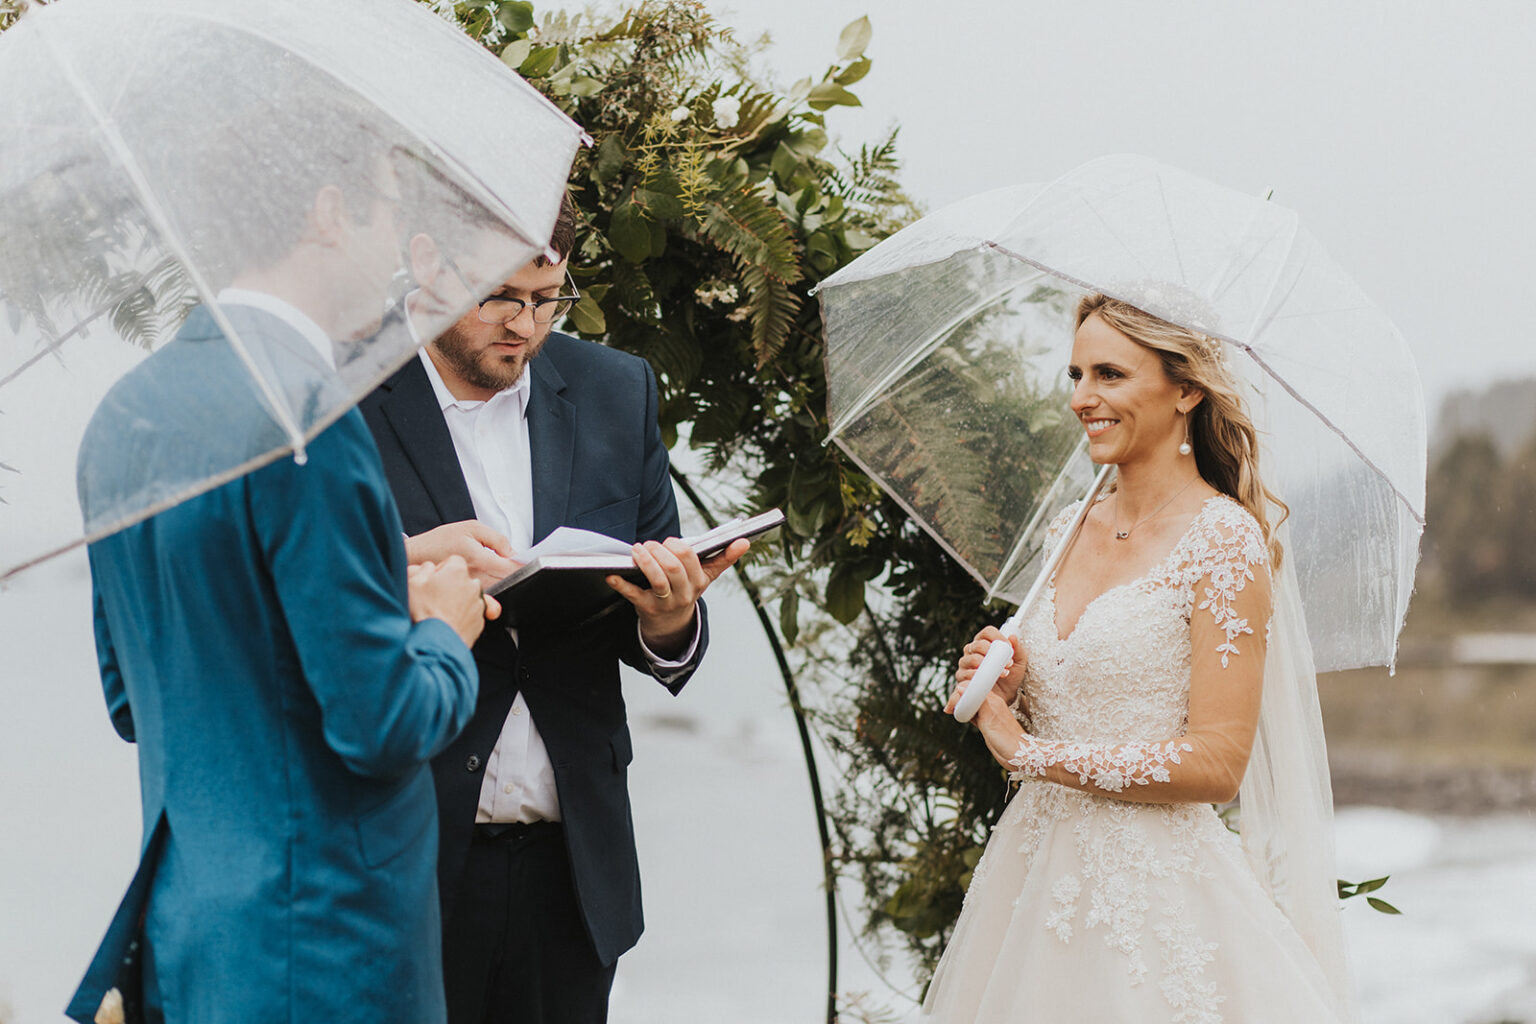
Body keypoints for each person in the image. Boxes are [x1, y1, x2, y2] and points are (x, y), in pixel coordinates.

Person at [67, 113, 495, 1023]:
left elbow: (130, 696)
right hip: (327, 951)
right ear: (329, 213)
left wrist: (386, 580)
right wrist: (441, 629)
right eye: (388, 214)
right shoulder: (305, 413)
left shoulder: (122, 418)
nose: (393, 250)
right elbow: (382, 723)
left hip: (194, 944)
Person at [359, 195, 748, 1024]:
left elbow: (653, 609)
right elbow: (295, 593)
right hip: (405, 858)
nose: (526, 326)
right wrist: (413, 556)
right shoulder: (346, 395)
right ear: (427, 261)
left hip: (572, 871)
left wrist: (670, 619)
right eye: (502, 296)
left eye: (549, 299)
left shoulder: (616, 389)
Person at [925, 293, 1356, 1022]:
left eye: (1110, 376)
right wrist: (1013, 691)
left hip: (1159, 904)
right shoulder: (1067, 528)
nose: (1082, 399)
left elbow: (1218, 764)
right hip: (1034, 884)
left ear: (1186, 389)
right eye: (1075, 375)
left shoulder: (1224, 543)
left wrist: (1029, 753)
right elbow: (1075, 700)